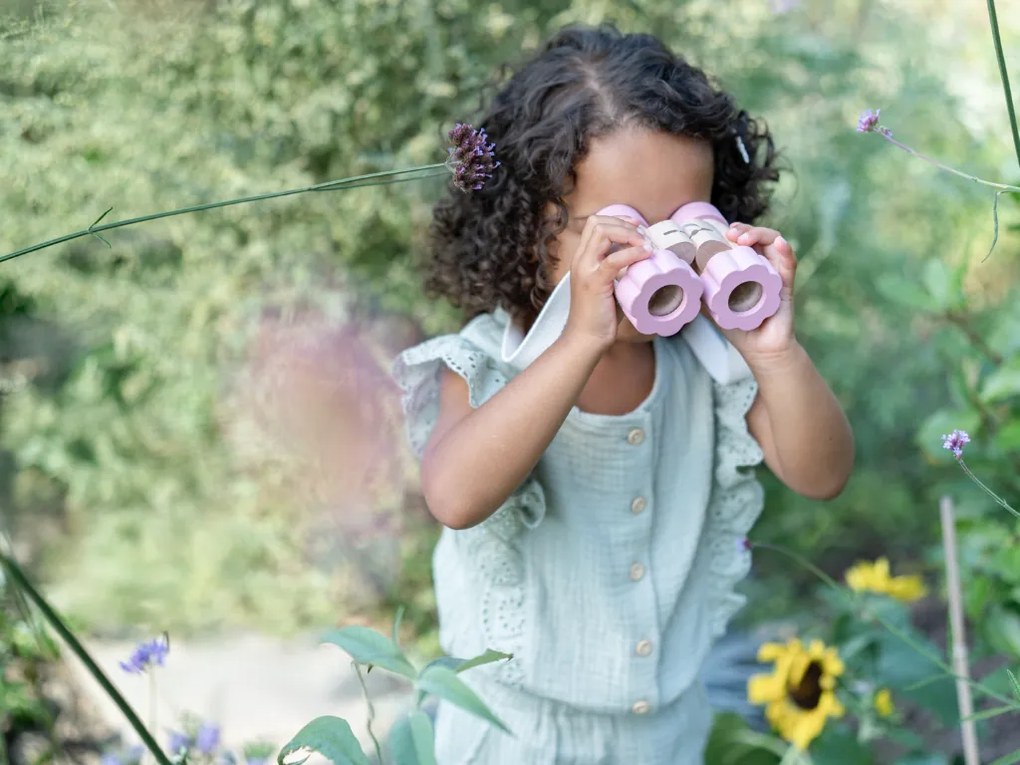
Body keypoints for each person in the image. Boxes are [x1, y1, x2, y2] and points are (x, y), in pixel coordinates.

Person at [392, 23, 854, 765]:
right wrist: (579, 339)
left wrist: (775, 349)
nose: (662, 256)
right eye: (628, 233)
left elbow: (822, 473)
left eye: (688, 226)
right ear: (542, 233)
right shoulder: (487, 361)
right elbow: (454, 494)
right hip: (515, 734)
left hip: (665, 732)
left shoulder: (708, 357)